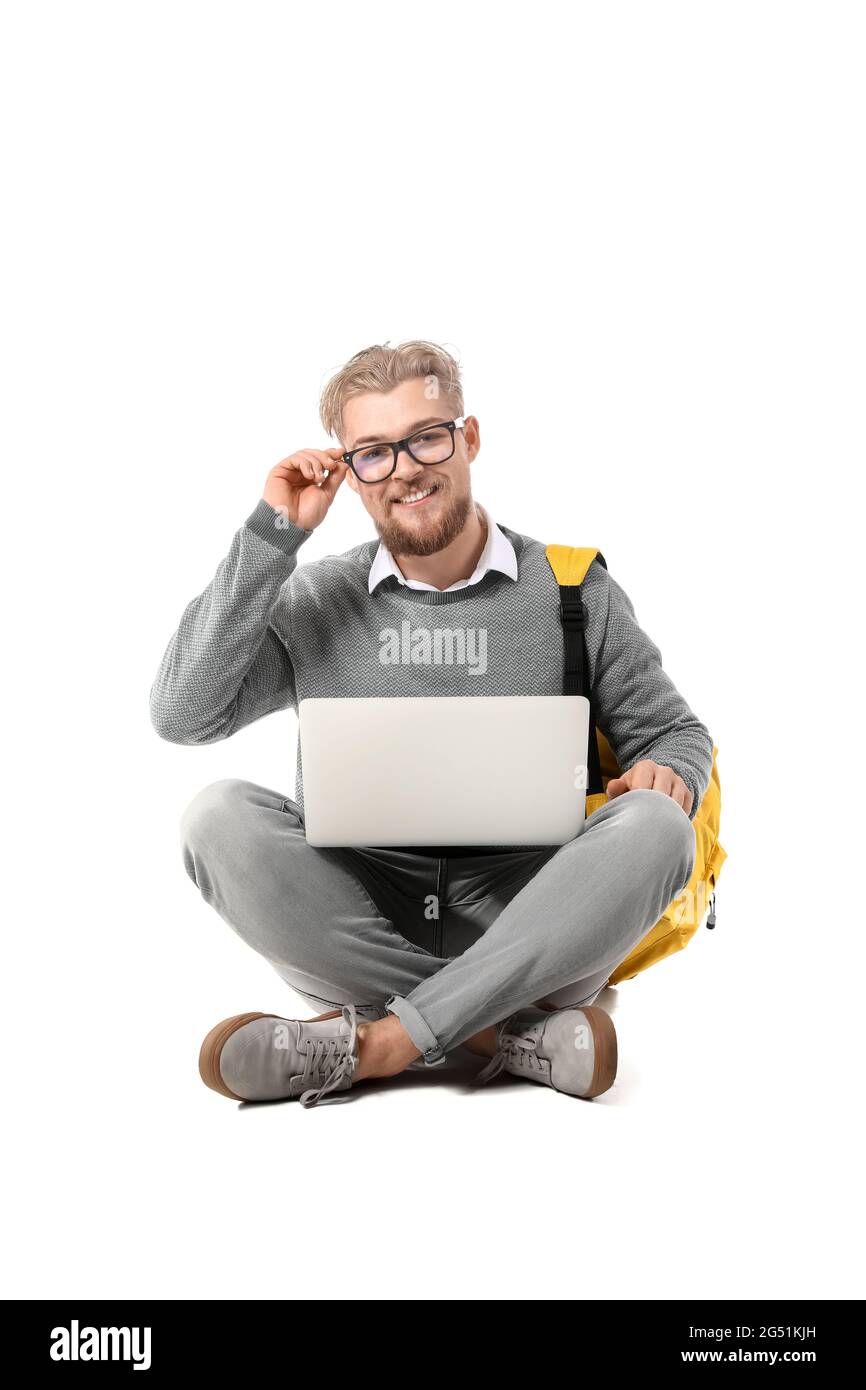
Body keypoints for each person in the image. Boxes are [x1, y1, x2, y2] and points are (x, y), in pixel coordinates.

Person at [150, 340, 708, 1110]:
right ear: (349, 473)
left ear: (468, 438)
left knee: (659, 827)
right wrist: (271, 537)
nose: (405, 467)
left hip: (534, 918)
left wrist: (667, 772)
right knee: (215, 817)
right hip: (363, 913)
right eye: (374, 452)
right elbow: (184, 712)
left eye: (426, 437)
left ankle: (375, 1045)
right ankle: (501, 1035)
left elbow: (677, 734)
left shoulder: (574, 587)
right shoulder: (316, 599)